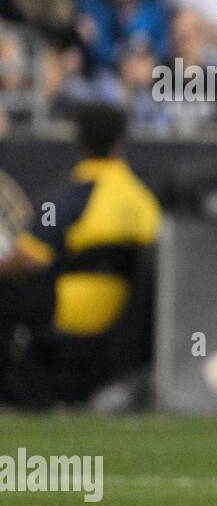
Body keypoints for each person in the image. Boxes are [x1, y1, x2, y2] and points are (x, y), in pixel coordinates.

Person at [0, 104, 160, 406]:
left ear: (80, 143)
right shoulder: (145, 200)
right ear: (119, 142)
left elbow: (31, 258)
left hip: (70, 311)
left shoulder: (73, 196)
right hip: (127, 321)